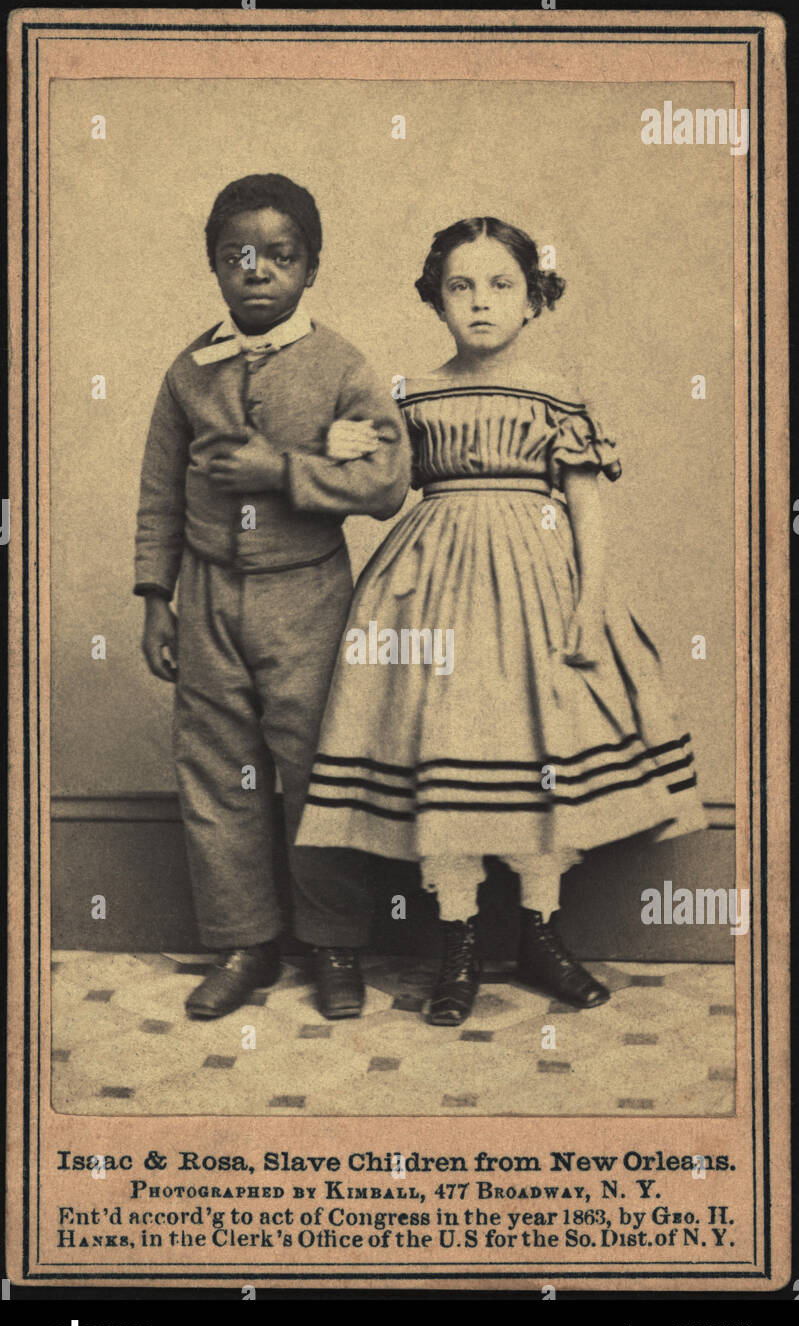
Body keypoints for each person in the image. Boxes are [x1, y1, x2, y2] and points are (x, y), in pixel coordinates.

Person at [296, 215, 707, 1025]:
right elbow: (381, 480)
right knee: (444, 750)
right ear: (435, 299)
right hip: (429, 591)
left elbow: (585, 504)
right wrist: (339, 441)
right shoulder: (411, 392)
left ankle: (541, 935)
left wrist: (586, 611)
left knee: (536, 751)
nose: (480, 302)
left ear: (532, 299)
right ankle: (459, 945)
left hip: (534, 587)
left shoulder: (555, 393)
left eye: (500, 285)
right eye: (459, 286)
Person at [133, 173, 410, 1021]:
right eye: (236, 257)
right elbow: (157, 491)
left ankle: (333, 944)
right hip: (210, 599)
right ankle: (244, 944)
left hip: (309, 600)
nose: (257, 272)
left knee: (318, 772)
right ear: (215, 266)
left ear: (311, 268)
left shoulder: (340, 368)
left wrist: (282, 472)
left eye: (279, 256)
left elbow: (386, 478)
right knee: (217, 775)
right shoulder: (189, 371)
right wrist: (156, 596)